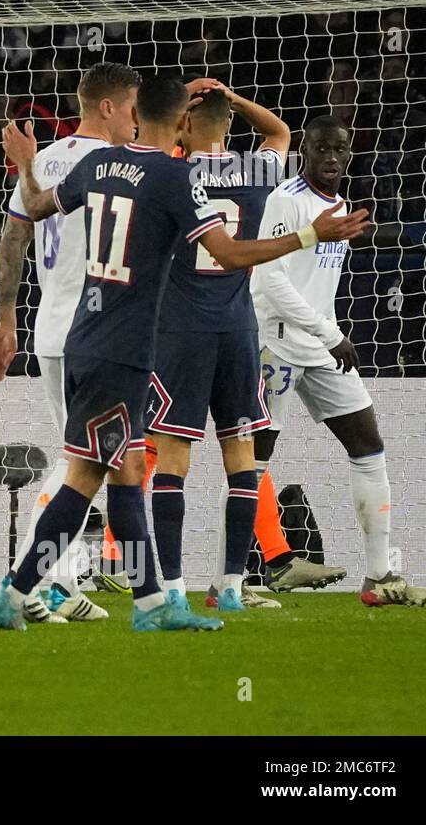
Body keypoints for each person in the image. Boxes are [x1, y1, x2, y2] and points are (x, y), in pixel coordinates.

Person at [0, 74, 368, 632]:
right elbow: (230, 252)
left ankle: (149, 605)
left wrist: (25, 162)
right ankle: (15, 591)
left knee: (128, 471)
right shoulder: (171, 177)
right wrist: (309, 235)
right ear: (184, 122)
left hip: (89, 336)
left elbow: (36, 206)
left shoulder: (98, 164)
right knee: (86, 479)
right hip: (123, 347)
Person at [142, 82, 335, 613]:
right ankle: (231, 585)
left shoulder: (171, 173)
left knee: (173, 461)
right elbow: (279, 131)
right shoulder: (260, 171)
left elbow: (149, 137)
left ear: (183, 123)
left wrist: (179, 98)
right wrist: (231, 97)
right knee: (241, 460)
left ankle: (174, 588)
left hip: (180, 332)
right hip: (238, 329)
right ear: (230, 125)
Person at [251, 114, 426, 607]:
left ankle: (379, 578)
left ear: (349, 152)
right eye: (321, 149)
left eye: (339, 149)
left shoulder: (338, 206)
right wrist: (329, 332)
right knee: (252, 459)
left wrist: (327, 331)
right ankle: (231, 579)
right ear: (306, 151)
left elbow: (317, 286)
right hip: (276, 344)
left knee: (368, 443)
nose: (331, 158)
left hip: (319, 346)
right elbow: (270, 281)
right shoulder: (285, 200)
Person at [0, 61, 141, 624]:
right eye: (131, 108)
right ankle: (37, 583)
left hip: (52, 329)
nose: (136, 120)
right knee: (83, 465)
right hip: (93, 333)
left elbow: (13, 239)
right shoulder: (114, 166)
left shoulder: (45, 162)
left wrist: (7, 320)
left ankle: (53, 580)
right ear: (106, 107)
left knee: (85, 462)